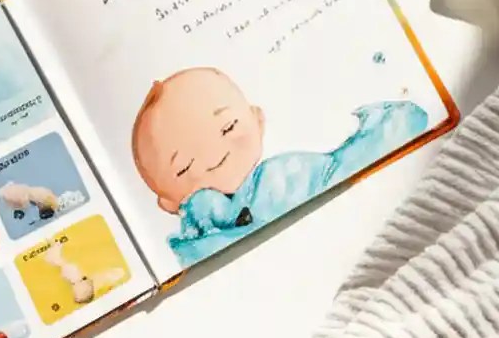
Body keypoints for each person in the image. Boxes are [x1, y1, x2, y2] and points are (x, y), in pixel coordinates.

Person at [131, 67, 428, 265]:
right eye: (184, 167)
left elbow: (338, 170)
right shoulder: (193, 237)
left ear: (257, 119)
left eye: (228, 127)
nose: (212, 156)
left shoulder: (287, 175)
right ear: (168, 203)